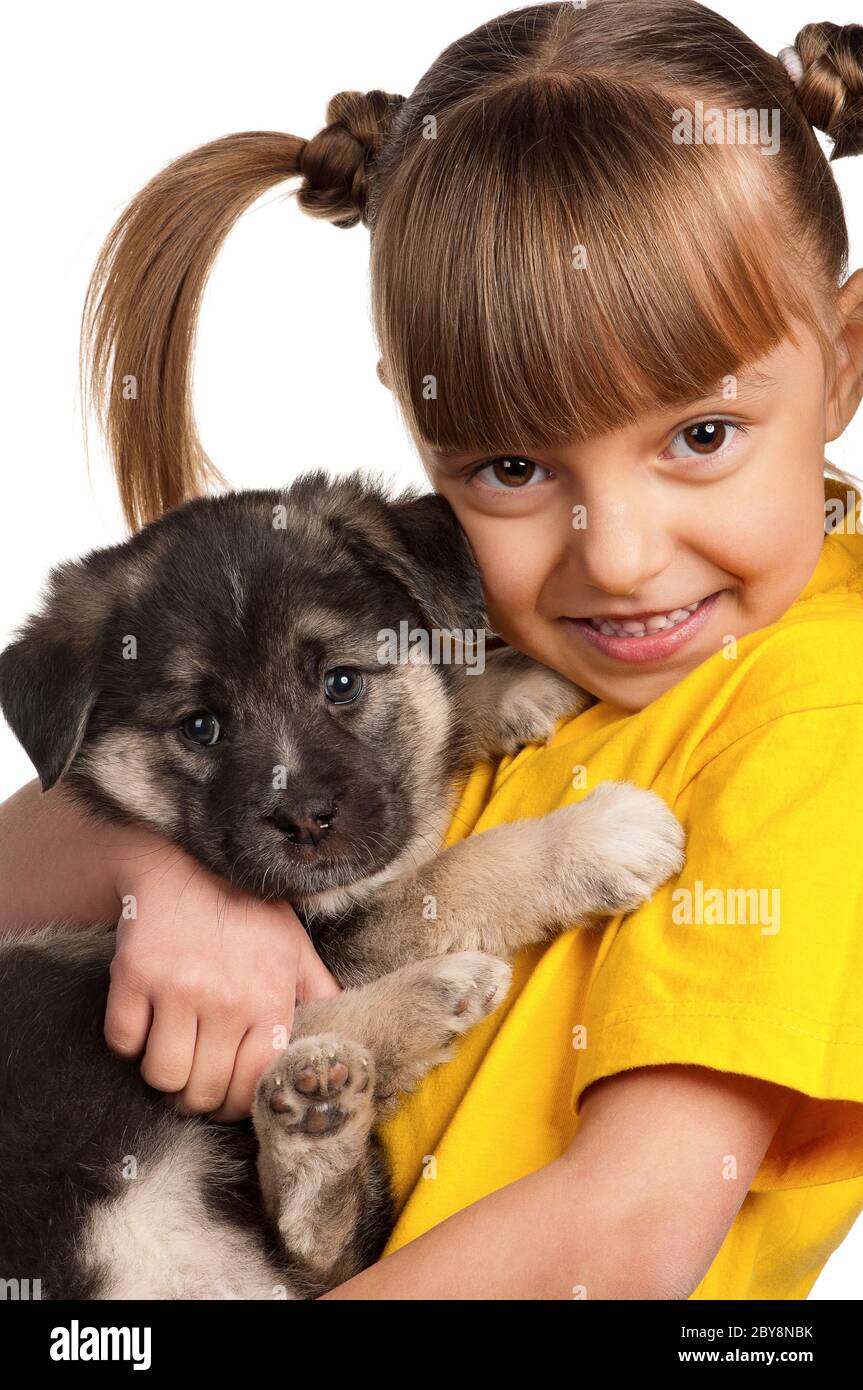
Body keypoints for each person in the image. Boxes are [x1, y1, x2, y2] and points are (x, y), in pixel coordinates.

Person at [2, 1, 863, 1298]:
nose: (619, 552)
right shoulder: (464, 643)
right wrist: (164, 871)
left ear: (848, 357)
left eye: (700, 435)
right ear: (414, 424)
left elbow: (622, 1233)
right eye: (515, 465)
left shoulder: (820, 715)